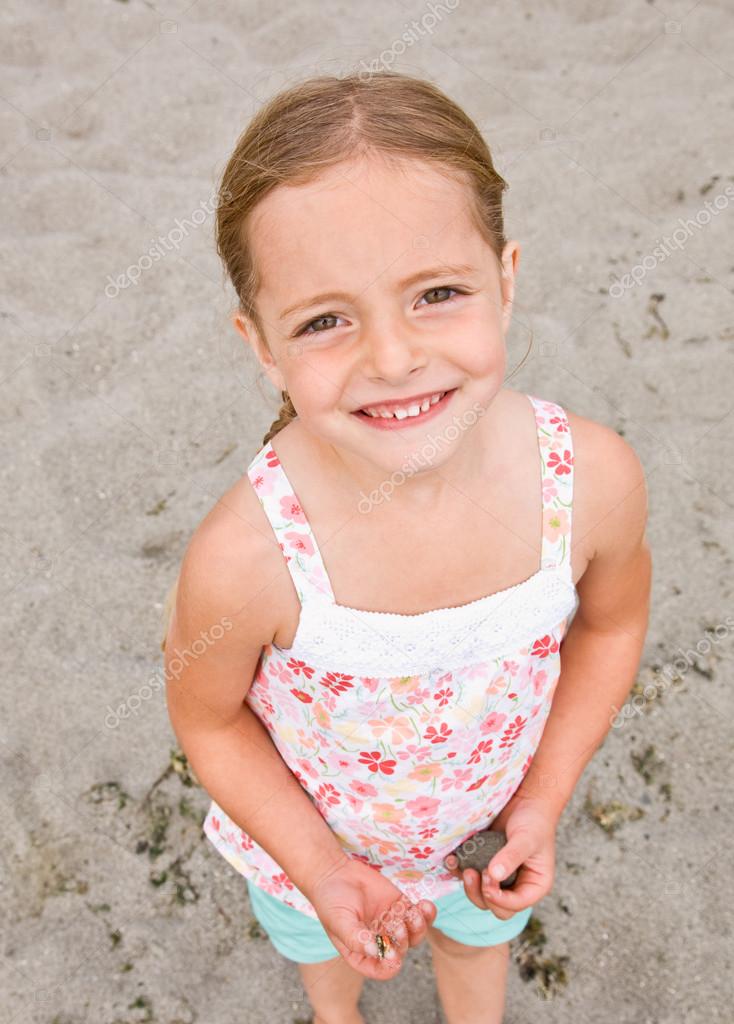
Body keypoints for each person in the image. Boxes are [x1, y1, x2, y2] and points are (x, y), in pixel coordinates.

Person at [163, 70, 652, 1024]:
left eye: (437, 293)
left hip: (492, 838)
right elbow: (211, 721)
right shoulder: (249, 556)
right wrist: (322, 871)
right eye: (325, 320)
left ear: (505, 281)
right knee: (327, 960)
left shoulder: (590, 482)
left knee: (480, 949)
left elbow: (611, 628)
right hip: (314, 857)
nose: (392, 358)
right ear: (262, 345)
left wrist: (541, 803)